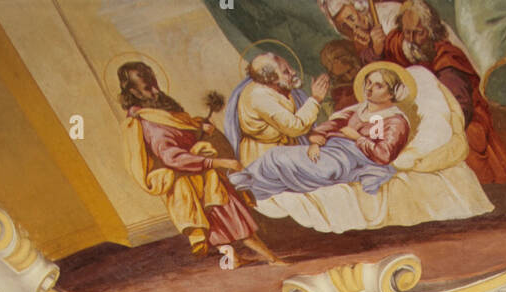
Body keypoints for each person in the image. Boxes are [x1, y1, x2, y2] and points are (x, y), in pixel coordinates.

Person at [118, 61, 278, 267]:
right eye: (148, 88)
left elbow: (181, 132)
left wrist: (197, 127)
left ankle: (235, 259)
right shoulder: (149, 121)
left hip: (200, 174)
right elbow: (172, 157)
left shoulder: (160, 110)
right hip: (192, 180)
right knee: (233, 217)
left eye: (155, 83)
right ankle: (273, 258)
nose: (156, 90)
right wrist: (218, 161)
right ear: (134, 92)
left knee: (217, 223)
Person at [370, 0, 506, 184]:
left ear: (430, 31)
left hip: (453, 119)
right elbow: (376, 63)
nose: (411, 39)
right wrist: (376, 49)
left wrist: (428, 127)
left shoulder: (446, 58)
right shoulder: (402, 43)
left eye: (418, 33)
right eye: (407, 32)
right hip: (413, 117)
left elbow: (460, 108)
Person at [229, 67, 410, 204]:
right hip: (331, 151)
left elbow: (384, 154)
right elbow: (330, 125)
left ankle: (242, 183)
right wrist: (315, 141)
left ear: (391, 92)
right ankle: (246, 187)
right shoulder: (359, 109)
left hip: (349, 162)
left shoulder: (394, 121)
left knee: (278, 158)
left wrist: (356, 138)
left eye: (378, 85)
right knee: (276, 159)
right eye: (368, 83)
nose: (369, 89)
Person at [224, 53, 329, 168]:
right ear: (271, 78)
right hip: (264, 157)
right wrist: (315, 99)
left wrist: (309, 134)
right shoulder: (258, 96)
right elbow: (294, 127)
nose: (293, 72)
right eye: (286, 71)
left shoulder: (281, 88)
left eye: (289, 67)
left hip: (286, 149)